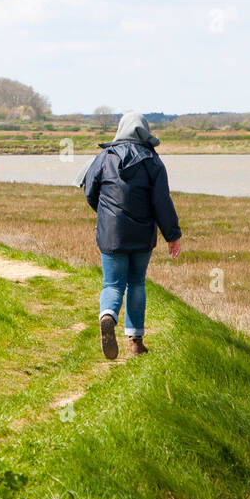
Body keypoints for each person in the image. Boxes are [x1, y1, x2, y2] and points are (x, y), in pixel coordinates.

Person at [79, 111, 182, 359]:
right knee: (136, 282)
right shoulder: (153, 161)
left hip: (111, 234)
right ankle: (135, 342)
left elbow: (90, 192)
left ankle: (107, 316)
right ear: (144, 131)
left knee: (112, 283)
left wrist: (106, 215)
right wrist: (172, 235)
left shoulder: (104, 158)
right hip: (142, 235)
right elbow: (162, 202)